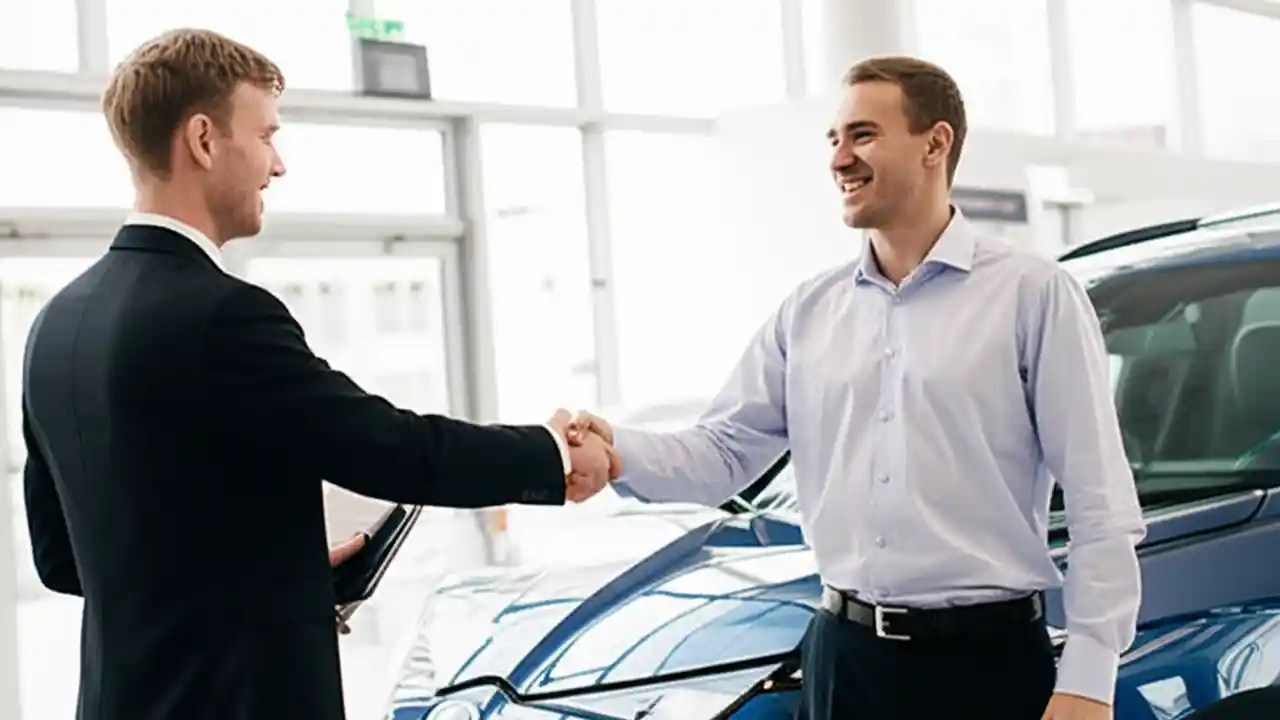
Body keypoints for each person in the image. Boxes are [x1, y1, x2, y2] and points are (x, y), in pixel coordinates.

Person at [21, 28, 617, 720]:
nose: (278, 165)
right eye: (267, 135)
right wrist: (550, 452)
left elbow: (63, 561)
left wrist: (282, 570)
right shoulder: (221, 315)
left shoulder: (56, 325)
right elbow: (389, 448)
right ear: (204, 140)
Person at [568, 56, 1145, 720]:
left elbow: (1103, 502)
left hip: (986, 667)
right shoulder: (809, 311)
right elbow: (725, 452)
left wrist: (1090, 676)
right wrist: (618, 453)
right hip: (845, 663)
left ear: (936, 144)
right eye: (833, 139)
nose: (839, 158)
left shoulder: (1032, 295)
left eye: (862, 135)